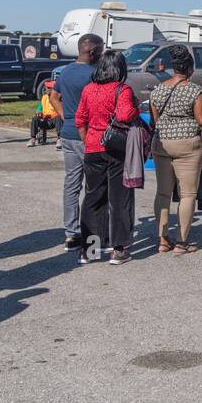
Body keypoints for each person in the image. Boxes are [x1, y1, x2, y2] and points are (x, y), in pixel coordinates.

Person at [149, 45, 202, 254]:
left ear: (173, 68)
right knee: (188, 194)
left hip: (162, 144)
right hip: (188, 145)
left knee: (162, 193)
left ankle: (163, 240)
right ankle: (181, 243)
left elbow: (155, 121)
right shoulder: (194, 90)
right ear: (190, 69)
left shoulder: (158, 89)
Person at [75, 50, 139, 265]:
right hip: (116, 148)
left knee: (93, 198)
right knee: (120, 199)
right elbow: (123, 115)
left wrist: (88, 141)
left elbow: (80, 119)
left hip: (93, 147)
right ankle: (118, 249)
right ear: (119, 68)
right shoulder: (123, 89)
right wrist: (135, 110)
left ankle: (90, 250)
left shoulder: (88, 89)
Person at [49, 34, 103, 251]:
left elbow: (53, 97)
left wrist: (66, 116)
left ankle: (71, 233)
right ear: (92, 51)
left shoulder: (66, 71)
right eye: (100, 50)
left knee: (72, 183)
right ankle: (93, 233)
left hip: (69, 133)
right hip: (88, 134)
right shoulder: (95, 74)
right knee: (94, 185)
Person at [27, 82, 61, 147]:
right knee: (35, 118)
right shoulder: (44, 97)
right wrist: (39, 112)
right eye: (46, 88)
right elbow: (40, 107)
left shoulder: (58, 97)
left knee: (58, 117)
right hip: (45, 119)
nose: (46, 89)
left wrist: (52, 115)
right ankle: (32, 138)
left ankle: (59, 139)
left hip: (54, 120)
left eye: (49, 88)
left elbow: (60, 110)